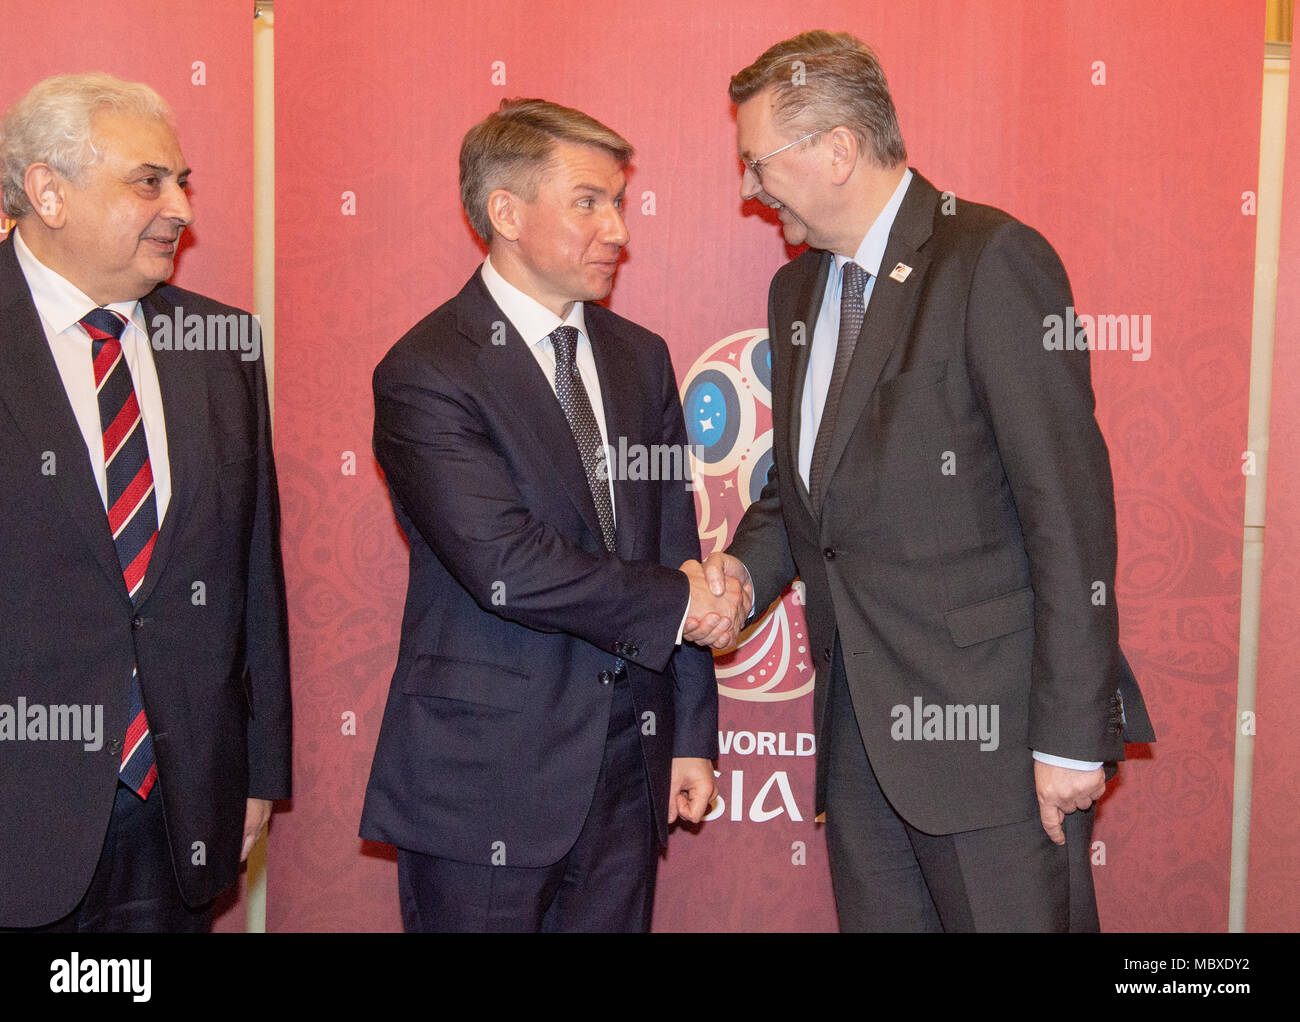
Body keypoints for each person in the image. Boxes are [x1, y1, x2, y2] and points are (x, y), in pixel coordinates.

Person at [685, 31, 1154, 931]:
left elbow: (1069, 513)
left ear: (838, 149)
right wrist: (744, 571)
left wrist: (1067, 735)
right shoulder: (796, 296)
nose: (749, 187)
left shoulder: (989, 261)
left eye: (759, 162)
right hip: (861, 746)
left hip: (997, 747)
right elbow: (806, 494)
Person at [360, 99, 734, 932]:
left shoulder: (641, 358)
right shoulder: (427, 370)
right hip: (483, 783)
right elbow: (509, 565)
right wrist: (683, 605)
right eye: (589, 201)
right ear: (506, 213)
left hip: (626, 774)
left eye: (620, 203)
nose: (619, 231)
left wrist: (690, 732)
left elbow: (678, 547)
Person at [0, 73, 291, 931]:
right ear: (47, 191)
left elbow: (252, 574)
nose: (179, 209)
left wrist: (257, 769)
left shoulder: (221, 345)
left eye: (182, 182)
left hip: (177, 815)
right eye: (148, 180)